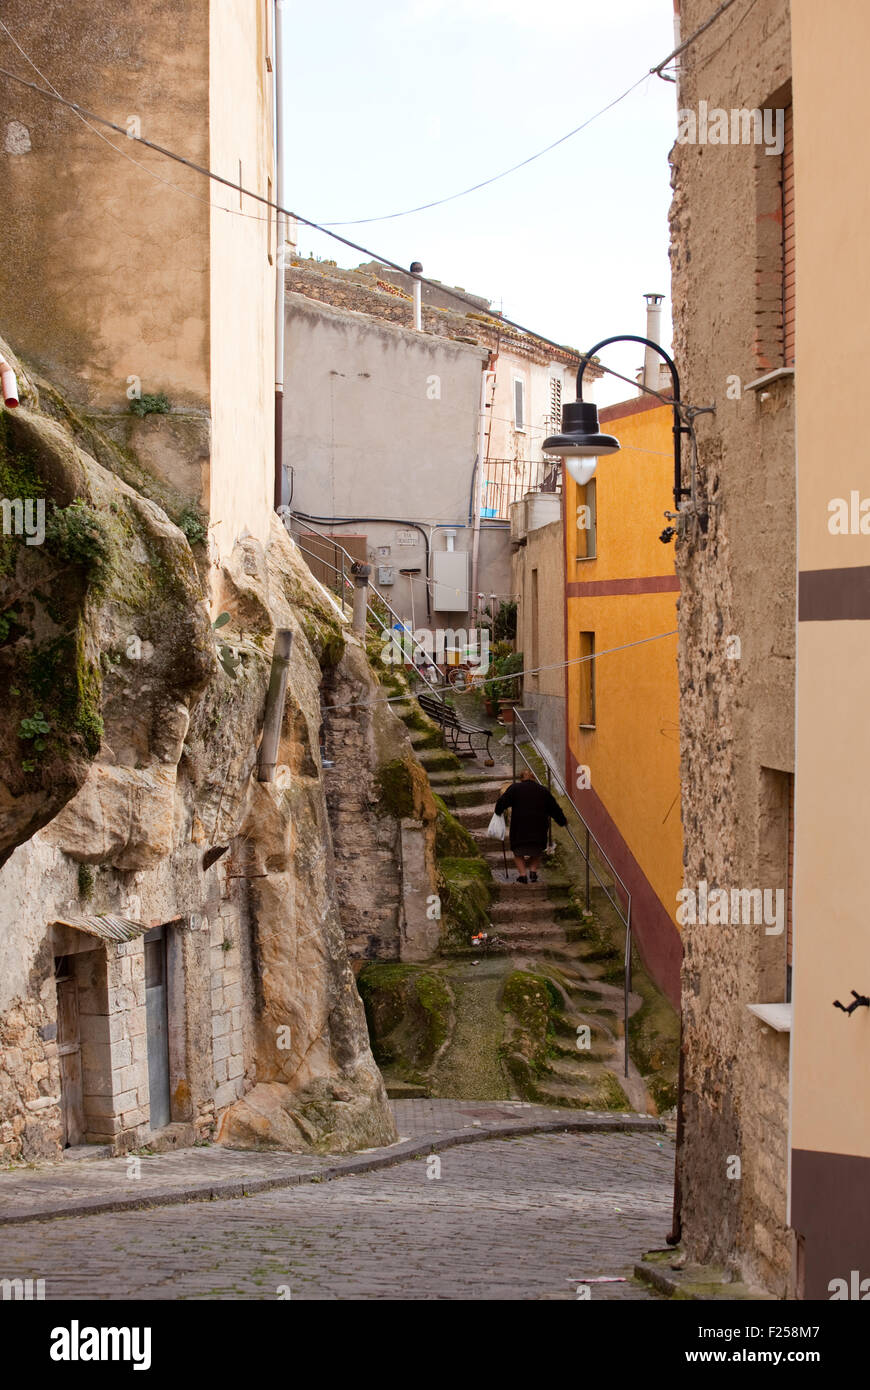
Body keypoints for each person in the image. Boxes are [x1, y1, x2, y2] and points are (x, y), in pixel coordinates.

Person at [494, 769, 567, 883]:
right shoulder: (543, 791)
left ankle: (523, 875)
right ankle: (533, 872)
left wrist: (498, 811)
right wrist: (562, 821)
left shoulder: (515, 789)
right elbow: (554, 809)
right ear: (534, 778)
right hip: (538, 827)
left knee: (518, 851)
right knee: (536, 850)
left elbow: (502, 803)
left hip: (520, 827)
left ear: (521, 778)